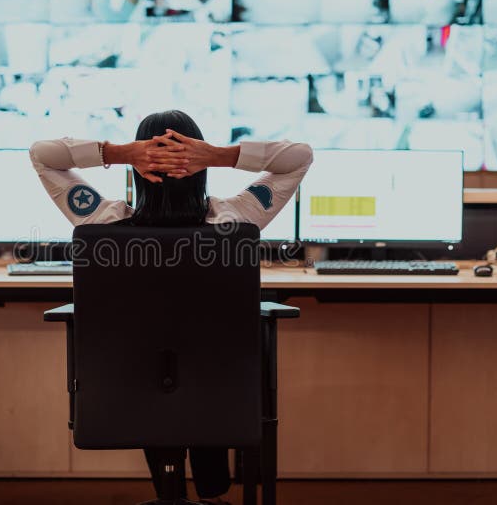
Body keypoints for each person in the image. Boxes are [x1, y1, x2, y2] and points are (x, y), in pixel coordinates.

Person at [30, 110, 312, 504]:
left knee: (152, 353)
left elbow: (42, 154)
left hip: (127, 384)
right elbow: (299, 156)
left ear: (135, 170)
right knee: (199, 355)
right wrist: (220, 155)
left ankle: (168, 489)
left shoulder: (101, 222)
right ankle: (211, 485)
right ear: (201, 168)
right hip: (221, 387)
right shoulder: (235, 219)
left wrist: (119, 151)